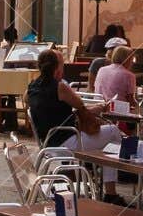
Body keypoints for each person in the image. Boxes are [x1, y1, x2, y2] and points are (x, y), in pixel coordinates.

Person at [26, 49, 124, 201]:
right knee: (113, 132)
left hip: (46, 143)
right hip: (66, 142)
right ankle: (110, 192)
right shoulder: (60, 87)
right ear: (57, 68)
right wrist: (98, 108)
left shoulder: (31, 87)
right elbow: (80, 105)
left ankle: (90, 170)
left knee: (106, 140)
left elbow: (38, 105)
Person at [93, 45, 137, 109]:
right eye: (132, 59)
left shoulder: (101, 69)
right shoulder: (129, 75)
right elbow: (131, 101)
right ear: (128, 59)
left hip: (98, 107)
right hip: (117, 110)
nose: (132, 62)